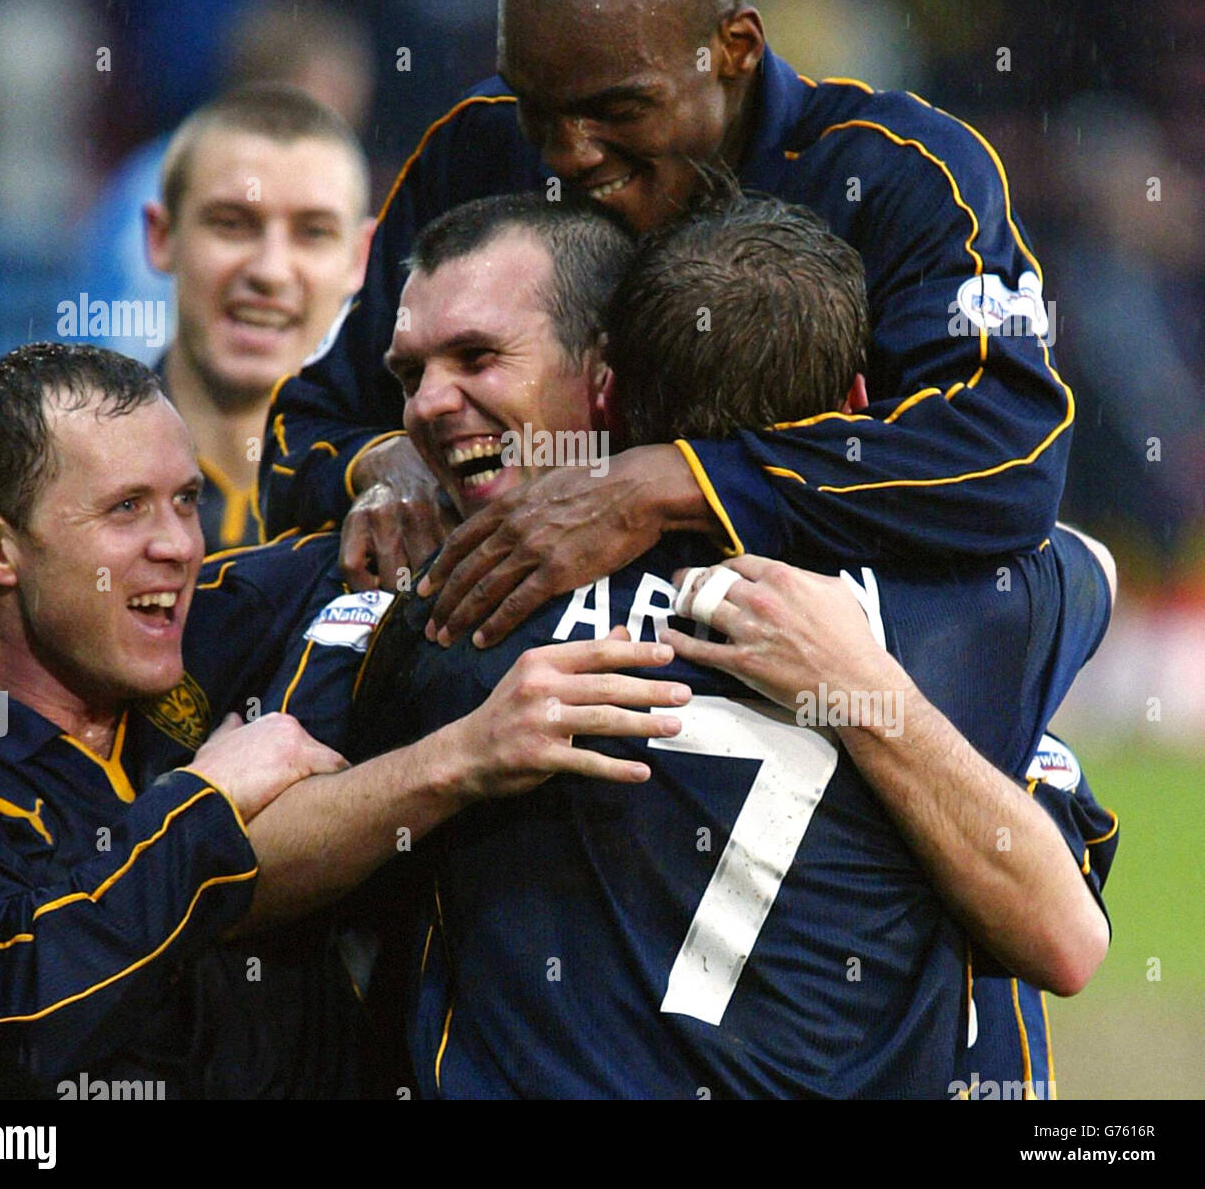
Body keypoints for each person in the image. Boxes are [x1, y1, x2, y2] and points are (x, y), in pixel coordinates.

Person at [346, 191, 1114, 1097]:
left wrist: (372, 470)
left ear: (612, 397)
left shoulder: (469, 609)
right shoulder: (988, 610)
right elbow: (1082, 554)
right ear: (857, 403)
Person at [260, 0, 1075, 667]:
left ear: (735, 48)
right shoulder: (475, 154)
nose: (569, 154)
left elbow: (1007, 457)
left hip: (822, 691)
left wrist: (663, 485)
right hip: (508, 682)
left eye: (619, 109)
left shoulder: (901, 176)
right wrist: (384, 464)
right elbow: (299, 438)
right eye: (539, 110)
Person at [0, 342, 689, 1097]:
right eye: (125, 510)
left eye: (185, 500)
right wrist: (203, 804)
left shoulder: (222, 619)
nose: (178, 547)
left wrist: (391, 479)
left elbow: (401, 536)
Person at [0, 82, 373, 659]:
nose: (271, 270)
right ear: (161, 237)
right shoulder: (4, 466)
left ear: (360, 258)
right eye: (232, 224)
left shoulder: (398, 491)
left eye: (312, 233)